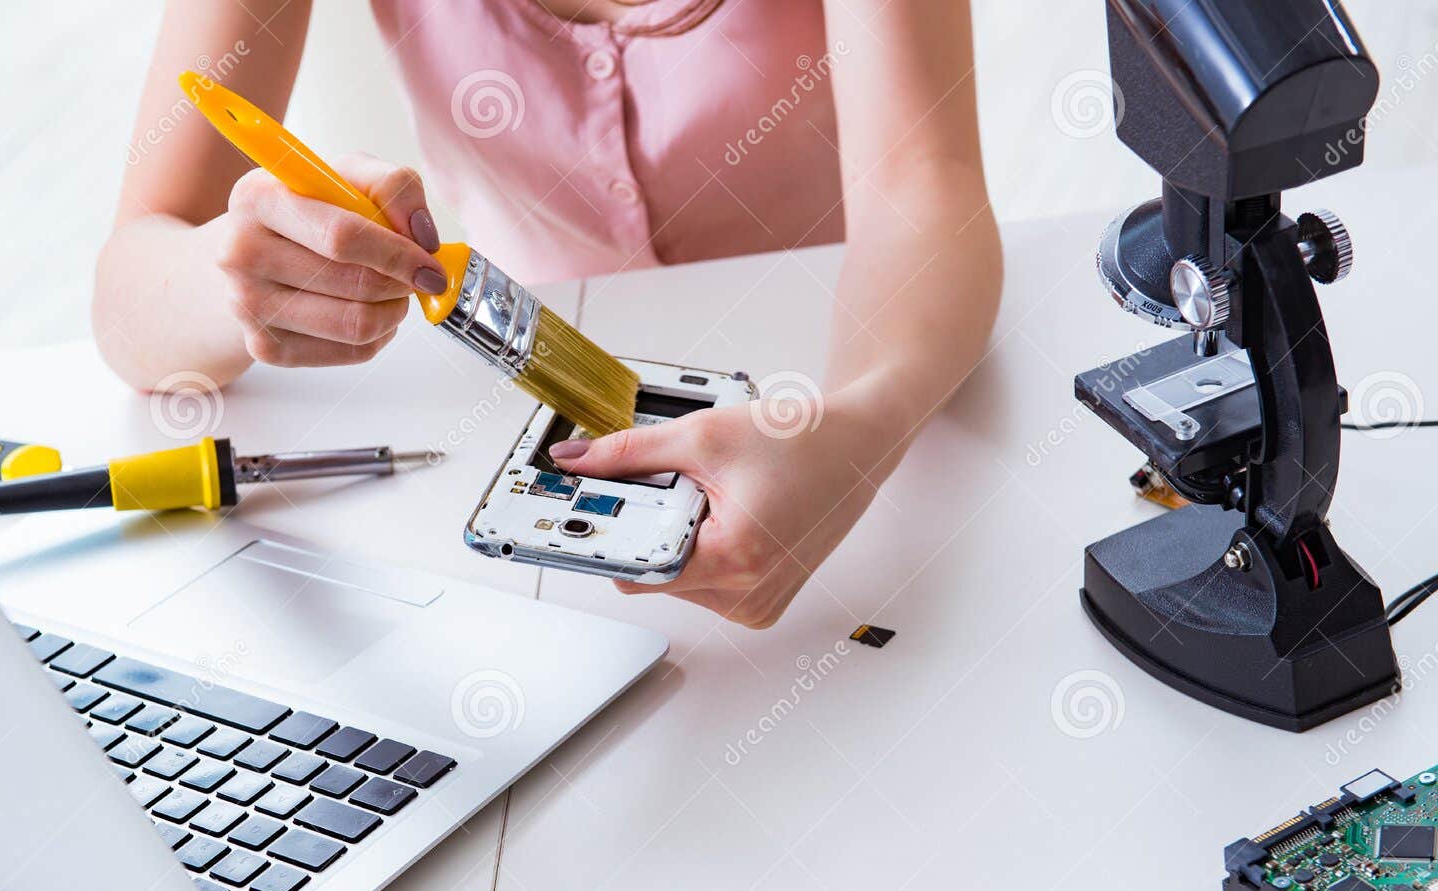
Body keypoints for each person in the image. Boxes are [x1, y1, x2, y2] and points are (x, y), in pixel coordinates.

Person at [93, 0, 1002, 627]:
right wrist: (237, 277)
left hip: (855, 389)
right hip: (512, 502)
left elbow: (922, 186)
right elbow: (130, 286)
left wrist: (865, 426)